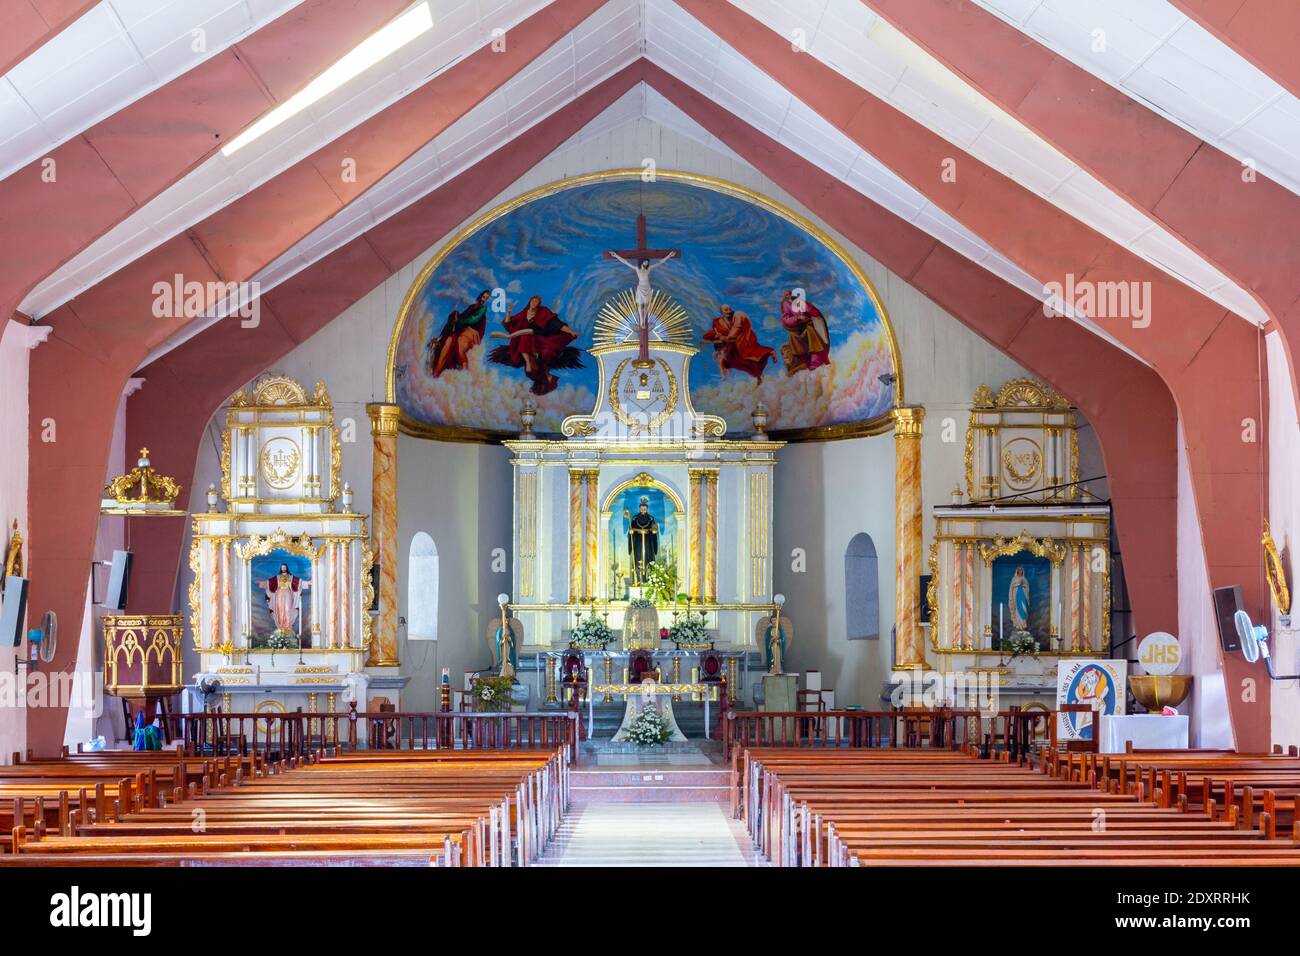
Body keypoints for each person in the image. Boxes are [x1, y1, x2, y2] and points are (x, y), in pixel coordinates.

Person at [487, 294, 583, 395]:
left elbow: (556, 324)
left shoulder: (542, 312)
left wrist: (570, 331)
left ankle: (535, 366)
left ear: (538, 304)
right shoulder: (523, 313)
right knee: (524, 338)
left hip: (539, 338)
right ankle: (529, 361)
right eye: (533, 301)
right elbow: (509, 324)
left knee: (543, 349)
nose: (534, 303)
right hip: (524, 338)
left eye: (536, 302)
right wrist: (509, 312)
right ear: (530, 302)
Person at [703, 305, 776, 381]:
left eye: (729, 309)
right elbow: (714, 332)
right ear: (721, 312)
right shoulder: (717, 322)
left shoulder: (736, 317)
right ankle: (725, 379)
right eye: (726, 310)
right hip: (729, 348)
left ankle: (759, 374)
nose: (728, 311)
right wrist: (717, 336)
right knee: (728, 362)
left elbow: (738, 329)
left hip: (740, 345)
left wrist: (727, 337)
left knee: (749, 360)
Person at [428, 290, 490, 377]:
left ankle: (465, 373)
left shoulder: (483, 308)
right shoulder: (472, 307)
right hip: (464, 329)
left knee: (460, 341)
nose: (484, 300)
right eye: (483, 297)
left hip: (473, 333)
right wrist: (456, 316)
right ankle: (436, 372)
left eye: (486, 298)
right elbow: (464, 316)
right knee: (449, 340)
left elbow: (473, 319)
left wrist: (460, 320)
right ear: (480, 296)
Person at [779, 289, 831, 375]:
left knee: (811, 333)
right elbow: (785, 319)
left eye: (789, 294)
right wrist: (797, 318)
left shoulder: (799, 301)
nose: (788, 295)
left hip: (807, 326)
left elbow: (811, 310)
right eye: (786, 295)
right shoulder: (785, 304)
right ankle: (804, 362)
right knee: (792, 337)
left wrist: (811, 317)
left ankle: (815, 362)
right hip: (796, 329)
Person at [624, 497, 659, 584]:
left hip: (648, 541)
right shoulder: (634, 518)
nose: (643, 509)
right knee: (638, 558)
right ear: (639, 508)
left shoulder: (651, 519)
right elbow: (631, 529)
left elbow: (654, 528)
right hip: (638, 542)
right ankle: (637, 579)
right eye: (641, 508)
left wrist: (654, 531)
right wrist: (631, 532)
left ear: (647, 508)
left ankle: (649, 579)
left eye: (645, 508)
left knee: (648, 558)